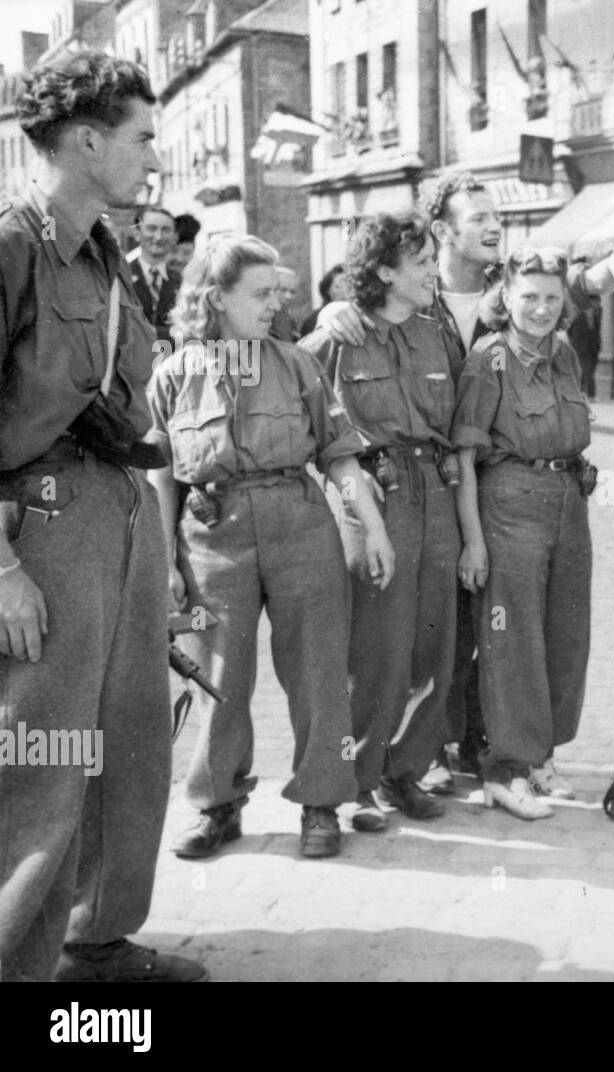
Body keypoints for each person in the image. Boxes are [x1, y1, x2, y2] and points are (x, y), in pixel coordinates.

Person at [303, 170, 614, 787]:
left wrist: (608, 269)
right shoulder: (410, 303)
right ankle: (400, 763)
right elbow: (319, 365)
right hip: (409, 488)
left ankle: (468, 746)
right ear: (441, 231)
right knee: (409, 636)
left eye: (497, 215)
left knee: (472, 632)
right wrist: (338, 305)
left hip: (476, 490)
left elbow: (558, 289)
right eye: (479, 218)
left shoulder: (505, 291)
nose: (495, 225)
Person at [0, 49, 205, 983]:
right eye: (142, 138)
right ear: (85, 141)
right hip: (38, 530)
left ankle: (94, 939)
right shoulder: (12, 244)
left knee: (127, 747)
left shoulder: (103, 247)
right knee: (42, 767)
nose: (155, 160)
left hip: (114, 508)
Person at [147, 235, 394, 861]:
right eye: (259, 295)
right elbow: (161, 476)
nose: (273, 305)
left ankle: (320, 804)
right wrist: (163, 562)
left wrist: (373, 527)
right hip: (211, 536)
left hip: (299, 526)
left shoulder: (297, 365)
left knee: (317, 672)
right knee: (217, 676)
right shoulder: (175, 374)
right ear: (216, 298)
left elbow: (339, 455)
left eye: (278, 293)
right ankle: (216, 806)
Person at [301, 213, 458, 830]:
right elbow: (295, 401)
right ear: (385, 271)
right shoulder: (335, 338)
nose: (432, 273)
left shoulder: (434, 332)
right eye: (421, 263)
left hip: (436, 492)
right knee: (375, 647)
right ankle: (358, 782)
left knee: (432, 642)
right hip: (373, 495)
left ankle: (405, 771)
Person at [452, 245, 593, 819]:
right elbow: (462, 457)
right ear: (505, 297)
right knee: (514, 643)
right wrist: (474, 541)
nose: (540, 308)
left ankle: (540, 757)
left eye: (551, 298)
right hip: (508, 504)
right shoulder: (489, 360)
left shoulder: (564, 355)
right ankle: (505, 769)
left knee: (566, 637)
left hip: (568, 501)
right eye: (528, 295)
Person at [129, 204, 182, 342]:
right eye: (151, 229)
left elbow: (189, 329)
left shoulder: (183, 282)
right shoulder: (120, 276)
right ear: (137, 233)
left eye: (166, 230)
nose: (158, 237)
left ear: (175, 237)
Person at [298, 263, 349, 337]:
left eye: (350, 283)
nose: (346, 289)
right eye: (339, 286)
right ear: (328, 291)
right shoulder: (314, 319)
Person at [270, 264, 302, 342]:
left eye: (292, 292)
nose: (288, 296)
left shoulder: (286, 313)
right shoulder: (266, 314)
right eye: (283, 290)